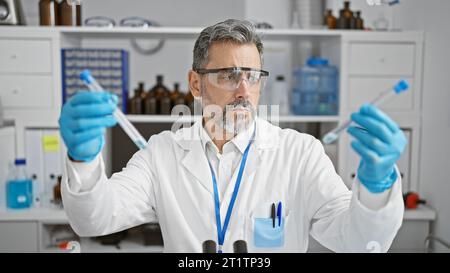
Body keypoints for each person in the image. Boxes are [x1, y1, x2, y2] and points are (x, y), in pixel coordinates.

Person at [59, 19, 406, 253]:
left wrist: (376, 188)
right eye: (228, 75)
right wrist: (83, 159)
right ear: (196, 83)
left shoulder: (300, 153)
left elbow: (360, 241)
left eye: (253, 76)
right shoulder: (160, 153)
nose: (244, 89)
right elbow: (95, 219)